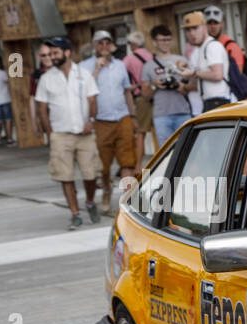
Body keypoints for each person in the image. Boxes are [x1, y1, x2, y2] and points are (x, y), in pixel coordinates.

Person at [34, 35, 100, 230]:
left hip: (85, 134)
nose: (52, 57)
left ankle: (89, 202)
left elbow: (93, 100)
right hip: (61, 135)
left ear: (67, 53)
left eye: (55, 53)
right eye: (50, 53)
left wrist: (91, 120)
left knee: (90, 174)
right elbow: (42, 108)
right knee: (66, 176)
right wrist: (50, 132)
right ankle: (75, 213)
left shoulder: (83, 74)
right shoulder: (46, 79)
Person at [81, 30, 136, 211]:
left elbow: (127, 91)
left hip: (122, 116)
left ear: (112, 45)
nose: (104, 46)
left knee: (127, 160)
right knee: (103, 165)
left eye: (107, 42)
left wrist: (133, 115)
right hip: (101, 120)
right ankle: (106, 193)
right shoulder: (85, 66)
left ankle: (128, 199)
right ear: (95, 46)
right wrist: (97, 69)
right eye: (100, 43)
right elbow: (84, 92)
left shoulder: (120, 65)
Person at [140, 25, 192, 146]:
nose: (166, 43)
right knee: (166, 153)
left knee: (188, 149)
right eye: (162, 40)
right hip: (162, 115)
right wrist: (155, 85)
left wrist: (179, 84)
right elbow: (145, 96)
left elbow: (191, 88)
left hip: (183, 112)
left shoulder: (181, 60)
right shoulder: (148, 66)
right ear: (154, 42)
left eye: (168, 39)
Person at [180, 10, 234, 113]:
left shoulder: (212, 45)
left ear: (205, 27)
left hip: (218, 101)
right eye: (188, 30)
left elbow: (217, 75)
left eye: (195, 28)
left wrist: (193, 73)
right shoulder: (203, 47)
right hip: (211, 102)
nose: (192, 33)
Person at [123, 30, 153, 170]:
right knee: (157, 131)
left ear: (132, 44)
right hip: (155, 94)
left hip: (141, 97)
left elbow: (121, 77)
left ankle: (138, 166)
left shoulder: (129, 59)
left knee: (140, 132)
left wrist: (132, 87)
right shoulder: (151, 55)